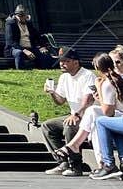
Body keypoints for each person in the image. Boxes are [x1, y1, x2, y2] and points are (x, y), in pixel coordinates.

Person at [42, 48, 99, 176]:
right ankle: (63, 162)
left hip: (89, 117)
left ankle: (76, 166)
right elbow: (60, 101)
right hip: (75, 115)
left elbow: (88, 100)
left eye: (66, 61)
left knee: (70, 125)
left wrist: (77, 115)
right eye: (60, 61)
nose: (62, 64)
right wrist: (52, 92)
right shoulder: (64, 77)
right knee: (47, 126)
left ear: (76, 62)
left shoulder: (87, 76)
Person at [4, 6, 54, 70]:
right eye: (21, 16)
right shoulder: (10, 23)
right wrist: (24, 50)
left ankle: (45, 70)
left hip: (30, 48)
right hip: (15, 48)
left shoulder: (28, 23)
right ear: (17, 16)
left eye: (25, 16)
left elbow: (37, 36)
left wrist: (42, 46)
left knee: (44, 54)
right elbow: (11, 42)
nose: (23, 18)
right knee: (19, 53)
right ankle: (21, 71)